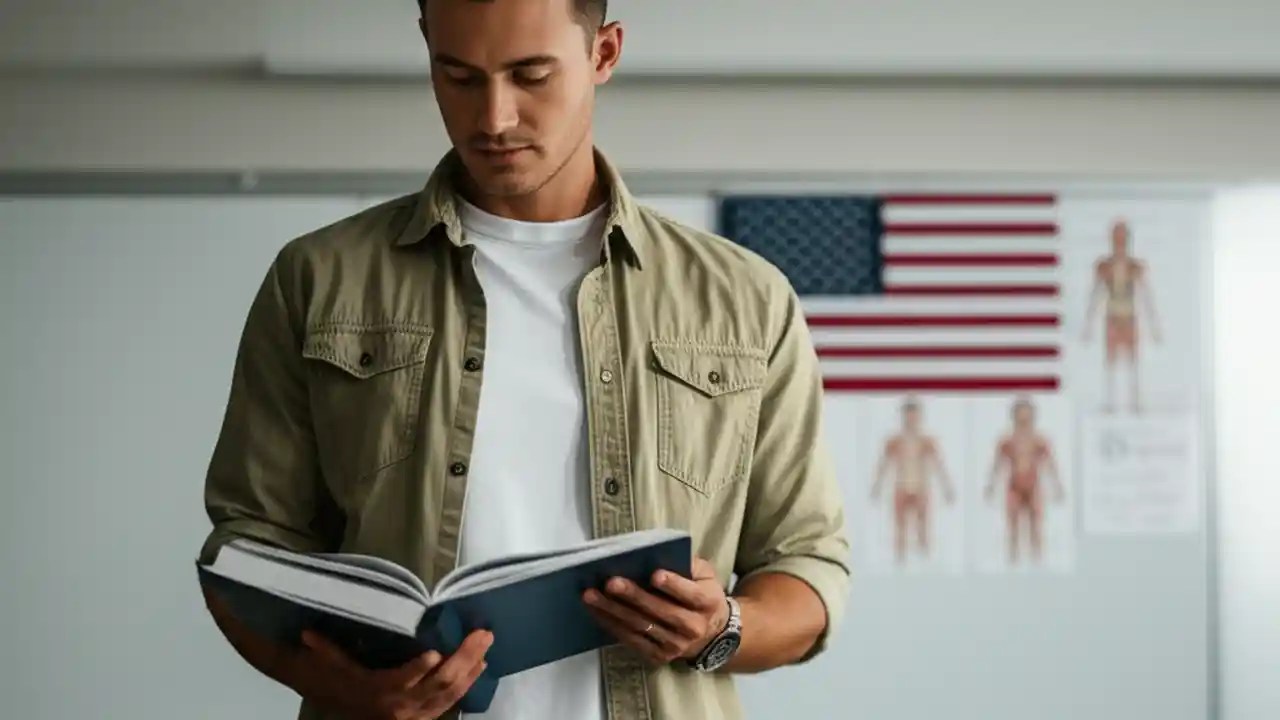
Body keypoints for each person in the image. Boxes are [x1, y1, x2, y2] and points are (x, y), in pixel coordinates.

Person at [196, 1, 851, 719]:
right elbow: (247, 546)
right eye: (459, 76)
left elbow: (807, 567)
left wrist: (719, 626)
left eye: (531, 75)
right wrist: (334, 686)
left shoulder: (743, 300)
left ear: (604, 54)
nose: (495, 118)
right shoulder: (319, 280)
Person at [1082, 219, 1162, 414]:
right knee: (1111, 362)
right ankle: (1110, 402)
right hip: (1112, 316)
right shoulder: (1104, 266)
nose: (1119, 241)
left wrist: (1154, 326)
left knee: (1133, 361)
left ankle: (1135, 402)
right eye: (1115, 237)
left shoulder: (1135, 266)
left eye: (1122, 237)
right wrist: (1088, 324)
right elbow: (1095, 294)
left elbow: (1146, 295)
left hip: (1129, 316)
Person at [868, 397, 954, 564]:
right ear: (903, 416)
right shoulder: (894, 442)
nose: (911, 419)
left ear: (920, 416)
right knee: (900, 530)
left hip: (921, 488)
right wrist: (876, 486)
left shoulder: (927, 441)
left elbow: (938, 466)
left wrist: (946, 488)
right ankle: (900, 565)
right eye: (908, 415)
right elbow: (883, 466)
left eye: (914, 415)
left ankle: (924, 564)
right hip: (901, 487)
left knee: (923, 530)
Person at [983, 397, 1064, 565]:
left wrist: (1057, 486)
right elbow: (996, 465)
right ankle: (1013, 561)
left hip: (1033, 486)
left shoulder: (1039, 440)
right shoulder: (1006, 441)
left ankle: (1038, 562)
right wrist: (990, 486)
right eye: (1020, 417)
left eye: (1027, 416)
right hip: (1014, 487)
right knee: (1013, 527)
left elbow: (1051, 465)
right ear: (1013, 417)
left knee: (1036, 527)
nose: (1024, 420)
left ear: (1033, 417)